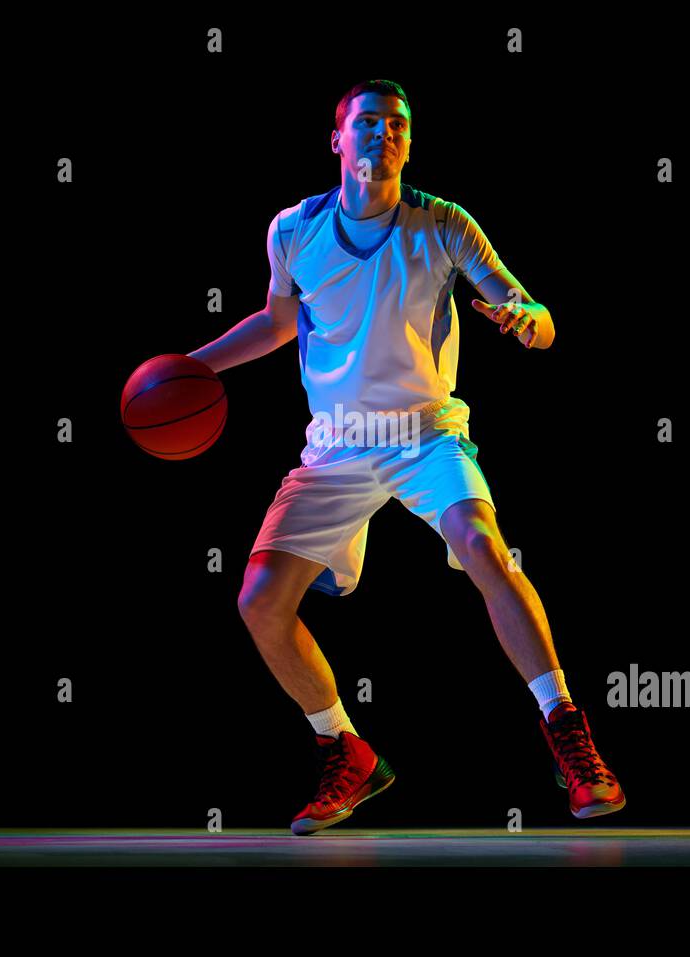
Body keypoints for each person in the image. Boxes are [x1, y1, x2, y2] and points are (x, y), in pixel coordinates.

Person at [188, 79, 625, 835]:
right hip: (337, 442)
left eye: (397, 125)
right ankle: (345, 747)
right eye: (367, 122)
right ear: (338, 139)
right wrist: (192, 368)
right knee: (259, 599)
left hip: (425, 433)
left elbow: (536, 313)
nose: (382, 134)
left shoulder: (445, 224)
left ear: (408, 144)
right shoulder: (293, 230)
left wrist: (530, 319)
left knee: (485, 546)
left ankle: (566, 733)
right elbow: (276, 322)